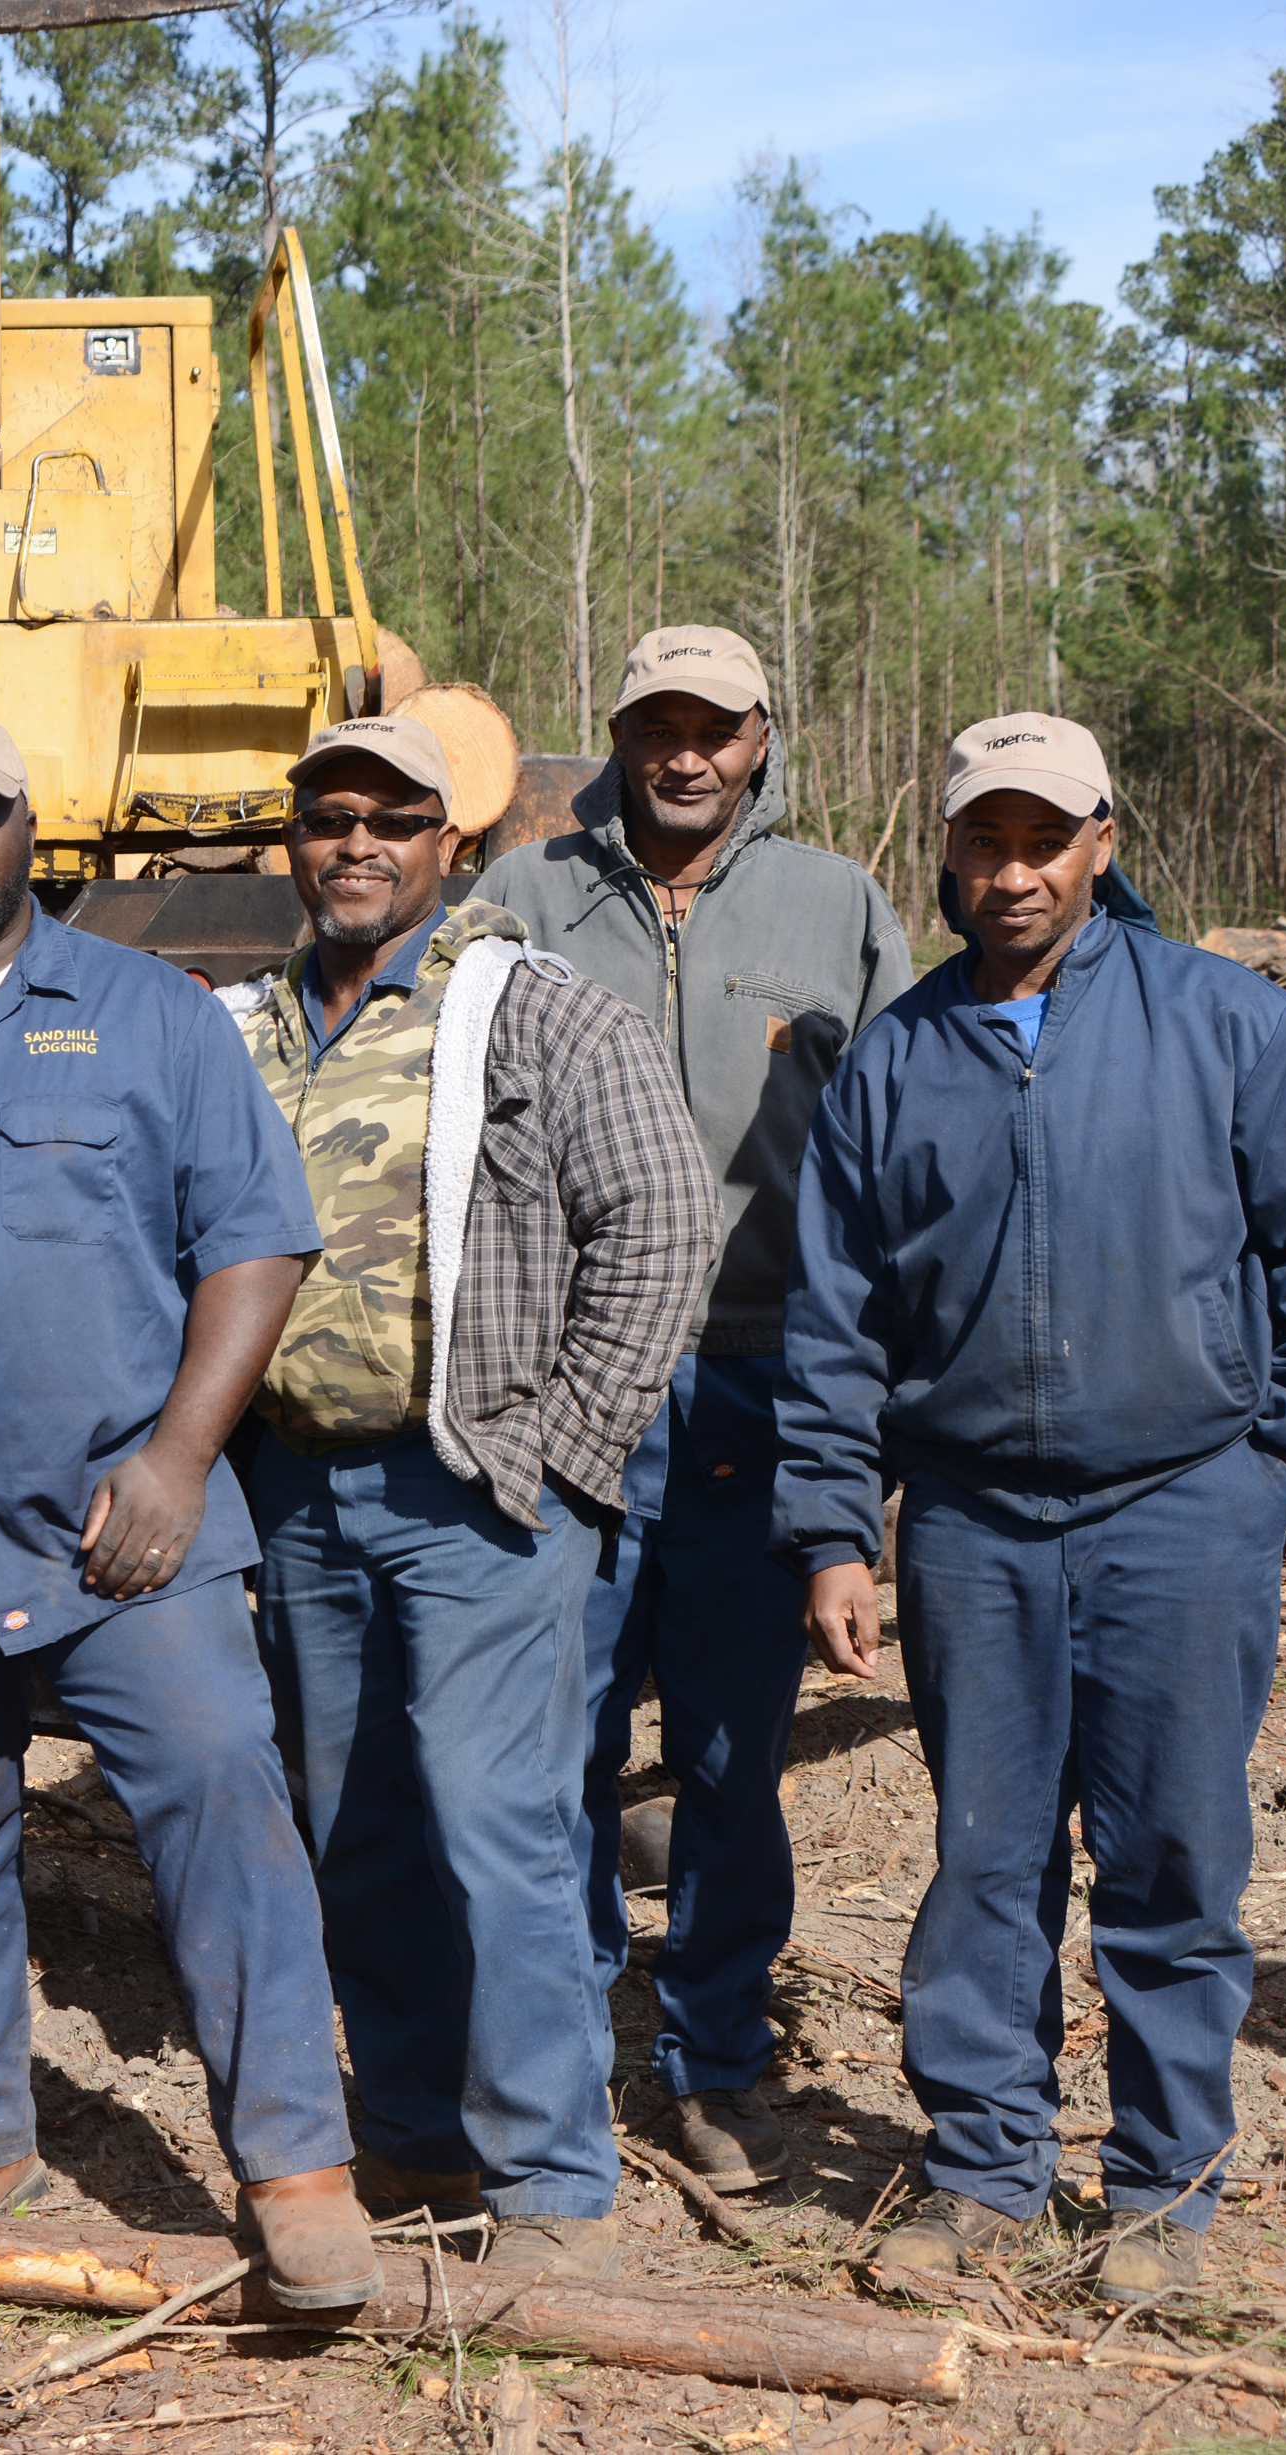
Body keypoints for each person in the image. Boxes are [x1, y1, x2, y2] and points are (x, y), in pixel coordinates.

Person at [775, 713, 1286, 2303]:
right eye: (985, 840)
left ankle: (1159, 2194)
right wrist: (840, 1530)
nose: (1013, 871)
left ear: (1101, 842)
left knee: (1174, 1856)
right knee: (986, 1858)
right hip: (976, 1521)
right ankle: (985, 2170)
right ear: (949, 852)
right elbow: (837, 1321)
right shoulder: (900, 1060)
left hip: (1184, 1505)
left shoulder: (1228, 1022)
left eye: (1044, 838)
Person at [0, 716, 377, 2303]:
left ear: (29, 830)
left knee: (222, 1799)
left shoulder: (152, 1018)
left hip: (126, 1525)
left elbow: (256, 1240)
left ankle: (298, 2167)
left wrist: (178, 1460)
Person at [232, 713, 717, 2277]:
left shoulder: (535, 1011)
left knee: (497, 1827)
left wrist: (566, 1451)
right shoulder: (251, 1025)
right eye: (329, 815)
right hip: (302, 1494)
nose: (356, 843)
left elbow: (664, 1225)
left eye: (394, 818)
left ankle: (554, 2185)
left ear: (453, 842)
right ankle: (419, 2138)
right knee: (356, 1826)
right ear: (292, 840)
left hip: (476, 1492)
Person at [475, 626, 911, 2193]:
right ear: (620, 734)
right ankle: (565, 2058)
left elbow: (896, 1161)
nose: (684, 755)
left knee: (732, 1755)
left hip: (760, 1386)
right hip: (569, 1384)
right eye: (656, 725)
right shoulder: (521, 902)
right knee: (556, 1746)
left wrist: (876, 1428)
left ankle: (719, 2062)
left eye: (712, 729)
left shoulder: (837, 910)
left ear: (758, 738)